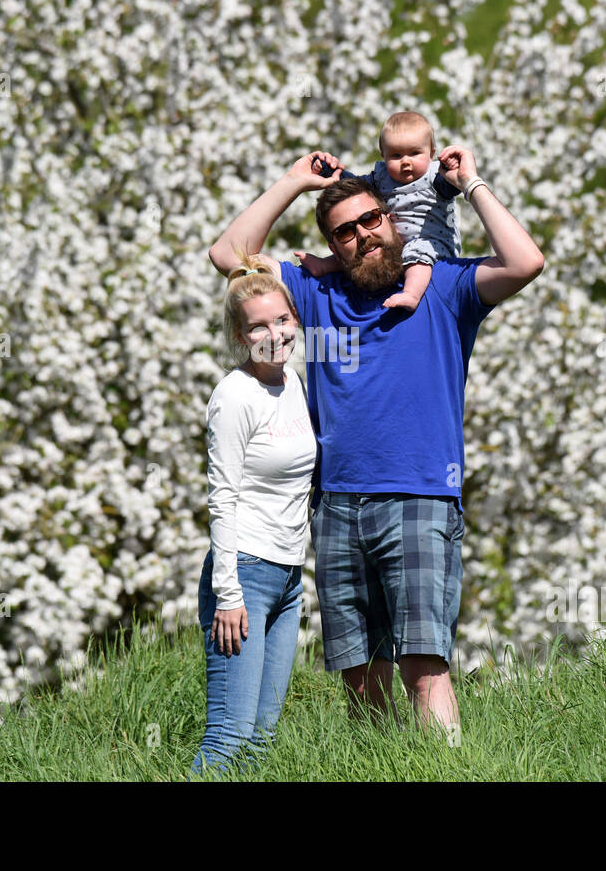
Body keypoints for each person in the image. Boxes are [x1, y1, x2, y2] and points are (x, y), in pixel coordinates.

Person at [207, 145, 544, 732]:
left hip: (420, 497)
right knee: (360, 674)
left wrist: (471, 185)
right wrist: (293, 182)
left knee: (424, 667)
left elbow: (526, 261)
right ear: (333, 246)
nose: (362, 235)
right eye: (344, 232)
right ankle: (380, 766)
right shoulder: (314, 296)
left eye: (372, 219)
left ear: (393, 219)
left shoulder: (443, 286)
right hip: (336, 506)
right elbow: (229, 254)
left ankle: (446, 775)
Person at [190, 249, 316, 776]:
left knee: (262, 740)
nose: (275, 334)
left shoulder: (294, 384)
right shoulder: (235, 395)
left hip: (288, 577)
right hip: (244, 574)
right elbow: (222, 497)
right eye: (258, 326)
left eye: (283, 319)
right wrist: (229, 594)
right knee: (228, 736)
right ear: (240, 336)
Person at [293, 110, 462, 313]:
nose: (405, 161)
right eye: (396, 155)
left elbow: (451, 187)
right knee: (361, 251)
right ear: (383, 154)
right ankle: (324, 265)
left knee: (414, 254)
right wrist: (329, 171)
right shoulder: (382, 177)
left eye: (415, 153)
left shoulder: (435, 176)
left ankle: (412, 294)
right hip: (395, 242)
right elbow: (354, 184)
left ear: (431, 152)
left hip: (430, 243)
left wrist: (453, 169)